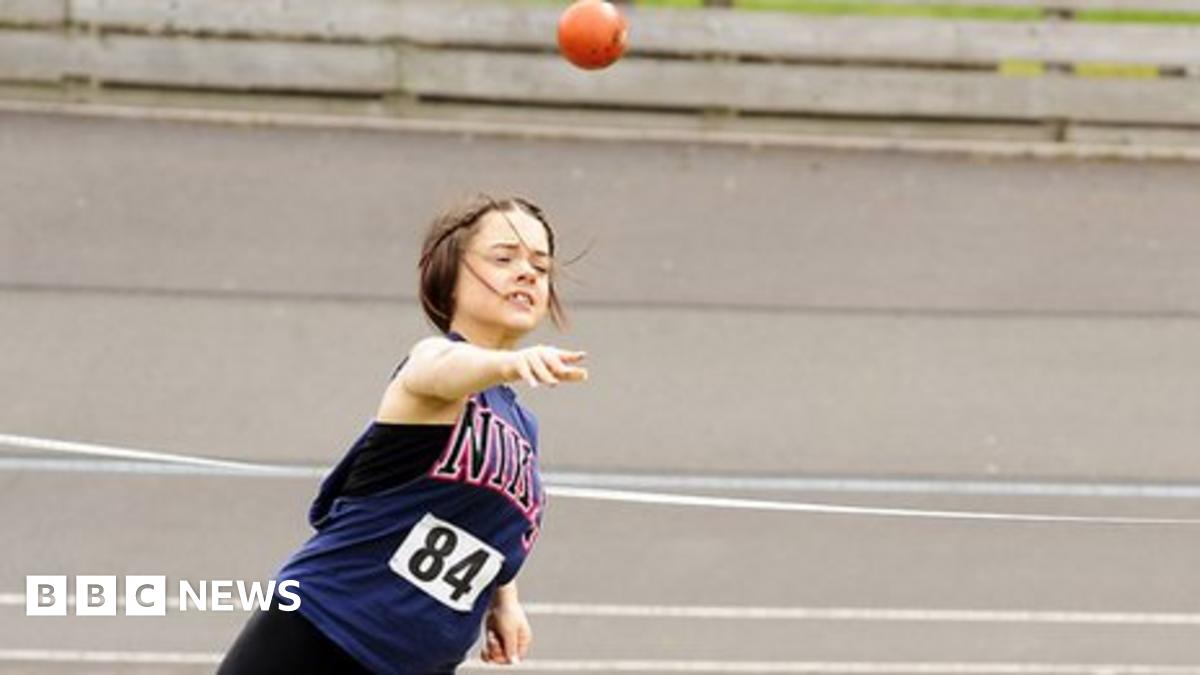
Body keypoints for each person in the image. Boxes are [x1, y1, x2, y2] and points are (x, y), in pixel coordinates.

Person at [218, 194, 588, 674]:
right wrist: (510, 363)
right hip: (321, 632)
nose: (528, 273)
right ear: (449, 275)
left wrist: (503, 598)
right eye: (504, 258)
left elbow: (475, 517)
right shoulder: (434, 366)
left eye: (541, 265)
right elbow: (437, 369)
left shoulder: (522, 427)